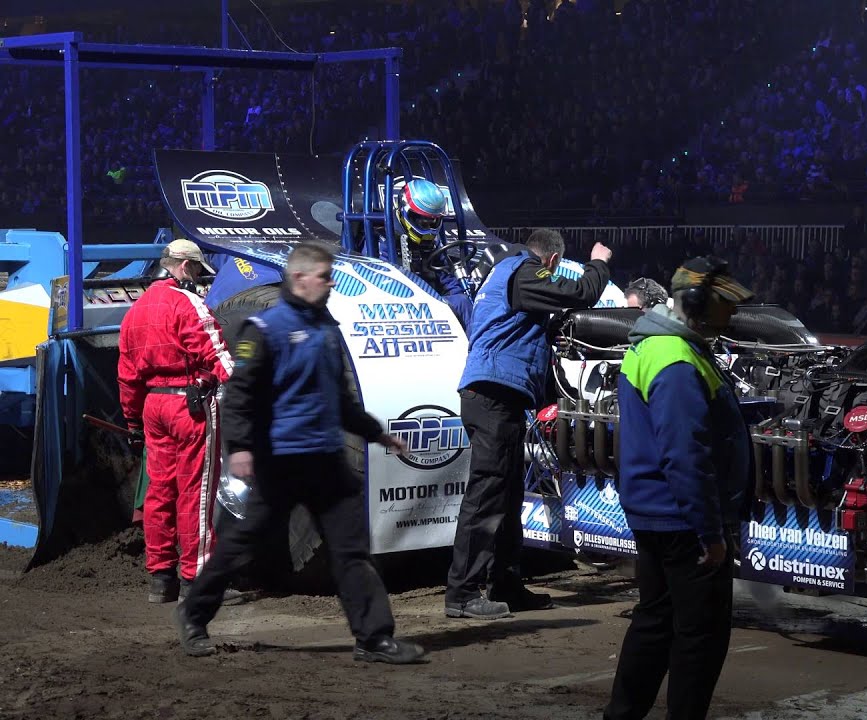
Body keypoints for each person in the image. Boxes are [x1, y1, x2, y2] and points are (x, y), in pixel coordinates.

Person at [174, 241, 425, 664]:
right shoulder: (264, 329)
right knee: (238, 543)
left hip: (327, 460)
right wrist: (240, 449)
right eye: (324, 277)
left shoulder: (327, 329)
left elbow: (340, 401)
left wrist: (377, 434)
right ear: (301, 278)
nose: (329, 284)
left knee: (351, 551)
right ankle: (194, 614)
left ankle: (374, 639)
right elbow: (239, 396)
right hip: (281, 461)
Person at [604, 256, 754, 720]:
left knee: (655, 622)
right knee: (700, 639)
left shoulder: (657, 346)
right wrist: (710, 532)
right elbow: (685, 455)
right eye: (724, 305)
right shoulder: (675, 357)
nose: (731, 314)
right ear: (695, 303)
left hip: (657, 513)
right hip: (683, 521)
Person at [447, 229, 612, 619]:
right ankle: (462, 593)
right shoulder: (525, 272)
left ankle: (506, 584)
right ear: (552, 261)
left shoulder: (505, 275)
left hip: (495, 395)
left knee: (505, 497)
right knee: (486, 496)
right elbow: (581, 294)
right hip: (493, 396)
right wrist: (599, 263)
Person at [118, 239, 234, 604]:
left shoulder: (135, 312)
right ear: (184, 266)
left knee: (159, 492)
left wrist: (133, 422)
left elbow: (126, 374)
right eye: (198, 270)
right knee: (196, 492)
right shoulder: (187, 303)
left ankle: (160, 579)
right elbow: (215, 351)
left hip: (153, 407)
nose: (199, 279)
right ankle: (197, 581)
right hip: (190, 405)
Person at [395, 178, 474, 328]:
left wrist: (460, 295)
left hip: (429, 300)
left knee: (463, 300)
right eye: (423, 222)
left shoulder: (433, 242)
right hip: (398, 303)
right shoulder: (383, 238)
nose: (429, 227)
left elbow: (447, 278)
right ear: (407, 214)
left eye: (433, 222)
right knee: (462, 304)